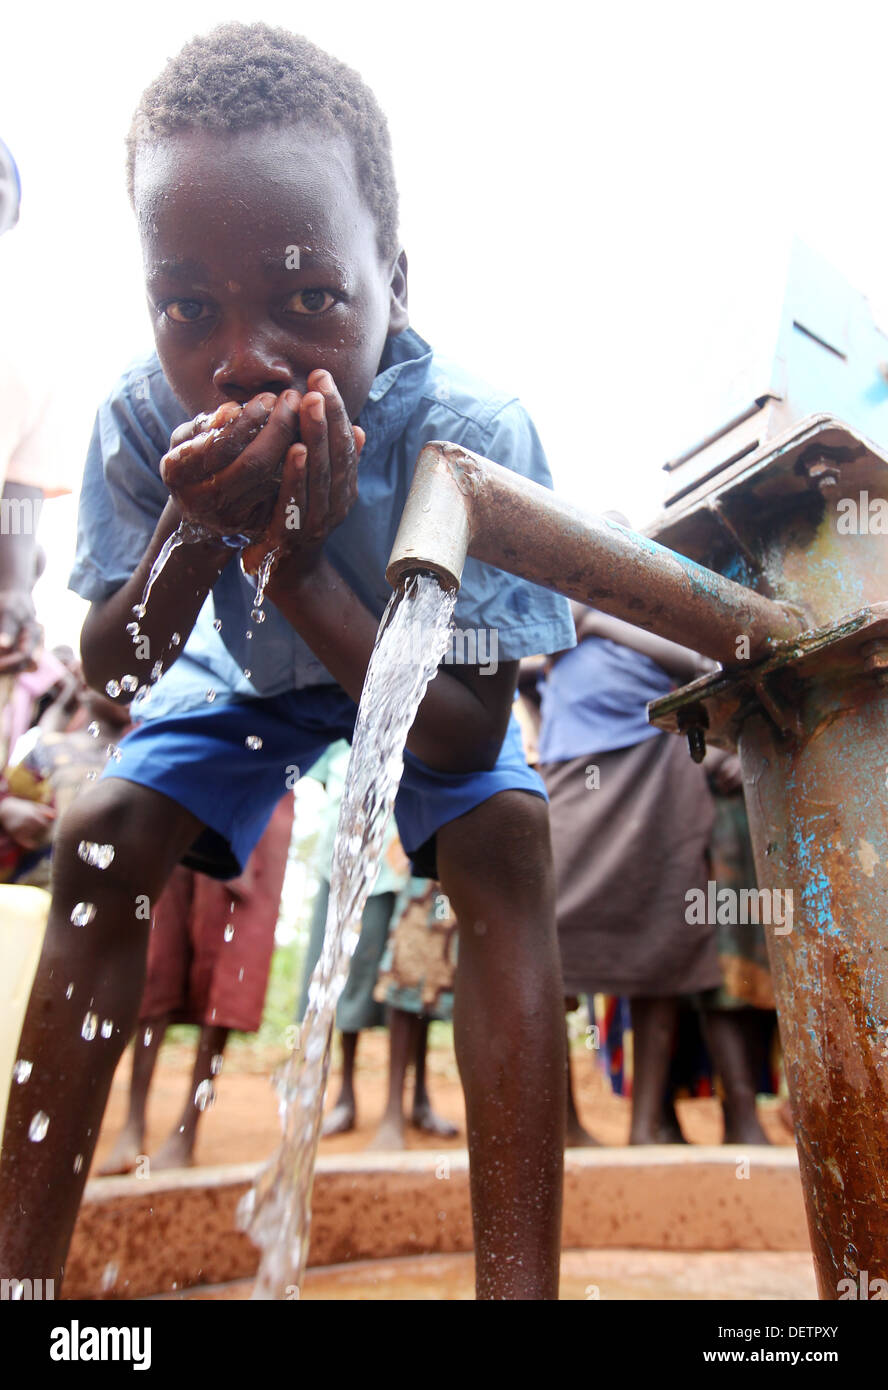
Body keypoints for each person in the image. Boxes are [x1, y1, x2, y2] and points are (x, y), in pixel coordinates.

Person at [0, 24, 574, 1300]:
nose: (243, 357)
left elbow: (466, 735)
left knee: (504, 845)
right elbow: (124, 668)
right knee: (99, 835)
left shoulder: (468, 435)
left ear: (396, 283)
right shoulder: (146, 415)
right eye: (188, 306)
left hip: (413, 671)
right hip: (241, 672)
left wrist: (308, 571)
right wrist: (196, 534)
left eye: (309, 298)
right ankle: (21, 1285)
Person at [536, 596, 723, 1145]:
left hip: (655, 775)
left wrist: (600, 622)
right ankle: (563, 1123)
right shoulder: (551, 620)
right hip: (571, 777)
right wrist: (581, 622)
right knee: (548, 943)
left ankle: (645, 1126)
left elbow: (700, 664)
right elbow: (520, 660)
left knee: (661, 933)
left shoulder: (650, 620)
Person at [98, 794, 293, 1174]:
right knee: (158, 955)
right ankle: (132, 1126)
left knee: (231, 961)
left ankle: (186, 1132)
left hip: (261, 789)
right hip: (185, 785)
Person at [370, 877, 460, 1150]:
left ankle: (420, 1102)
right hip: (424, 873)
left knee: (435, 980)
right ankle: (392, 1111)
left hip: (466, 869)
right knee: (407, 968)